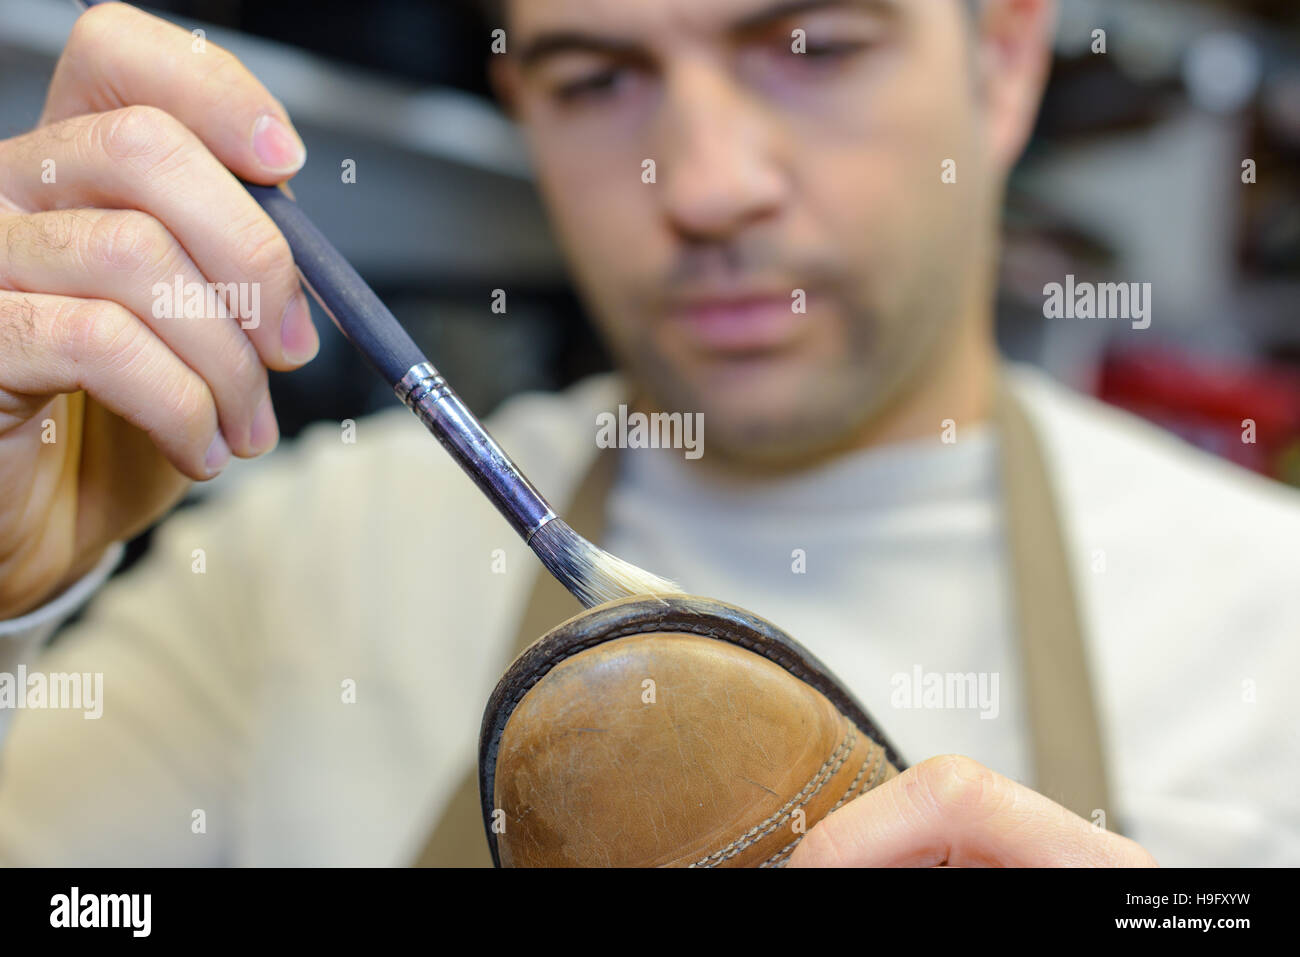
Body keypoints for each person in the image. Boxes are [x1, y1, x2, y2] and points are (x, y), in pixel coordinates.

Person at [0, 0, 1295, 867]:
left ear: (1004, 60)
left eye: (810, 46)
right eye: (600, 78)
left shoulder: (1268, 621)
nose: (709, 185)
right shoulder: (302, 559)